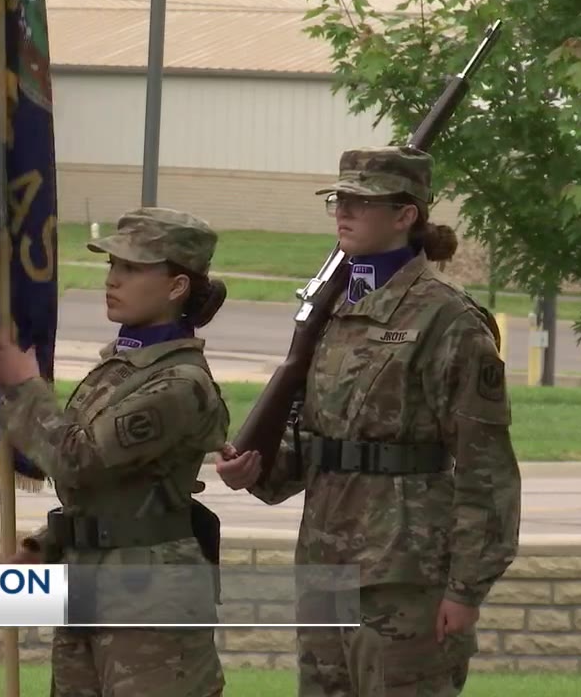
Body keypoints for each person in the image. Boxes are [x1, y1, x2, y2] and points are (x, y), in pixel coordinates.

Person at [215, 146, 522, 696]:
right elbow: (319, 435)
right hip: (325, 560)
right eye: (340, 199)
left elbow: (487, 470)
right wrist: (260, 467)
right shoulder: (333, 312)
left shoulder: (449, 321)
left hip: (405, 570)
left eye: (363, 201)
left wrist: (465, 589)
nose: (344, 211)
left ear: (406, 216)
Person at [0, 207, 232, 697]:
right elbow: (108, 491)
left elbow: (77, 459)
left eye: (133, 268)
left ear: (177, 286)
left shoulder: (179, 383)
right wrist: (48, 543)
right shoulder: (119, 369)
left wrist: (25, 387)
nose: (113, 279)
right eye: (112, 266)